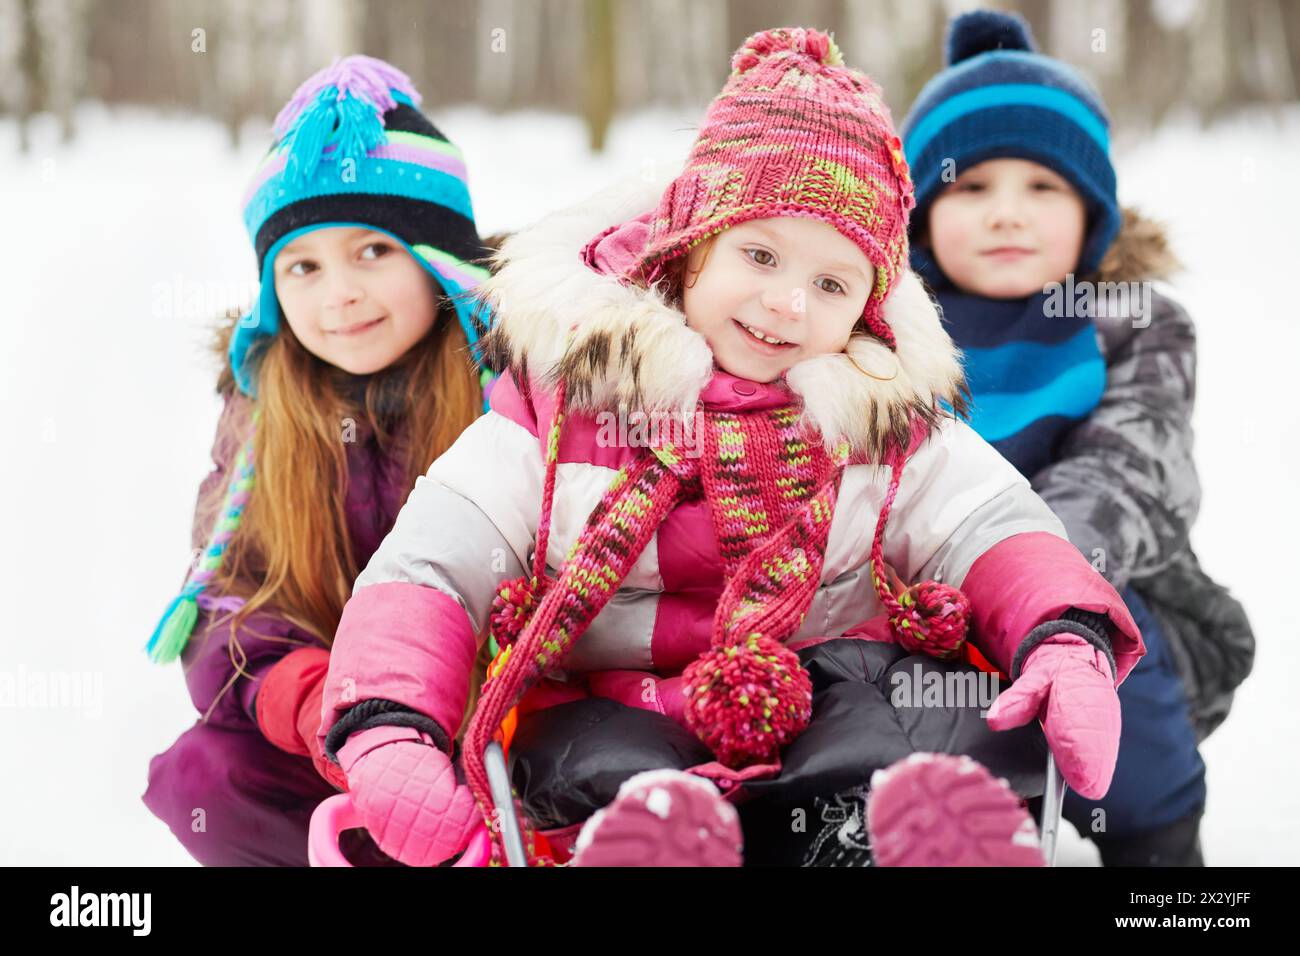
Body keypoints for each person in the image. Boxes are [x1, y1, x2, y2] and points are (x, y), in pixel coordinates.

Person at [318, 28, 1145, 868]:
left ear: (867, 306)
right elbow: (433, 565)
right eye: (759, 254)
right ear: (686, 250)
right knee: (595, 757)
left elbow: (989, 524)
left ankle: (880, 830)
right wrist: (388, 722)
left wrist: (1062, 634)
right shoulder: (565, 402)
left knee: (904, 714)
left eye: (831, 284)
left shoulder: (879, 414)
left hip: (828, 676)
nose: (788, 303)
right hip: (612, 692)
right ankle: (649, 839)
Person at [899, 9, 1255, 865]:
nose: (1006, 215)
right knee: (906, 721)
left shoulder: (1126, 325)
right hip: (922, 606)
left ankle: (1159, 857)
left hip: (1102, 584)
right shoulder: (889, 330)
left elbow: (1131, 472)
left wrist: (1032, 575)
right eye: (971, 187)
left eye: (1043, 188)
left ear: (1092, 211)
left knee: (1126, 694)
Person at [141, 55, 494, 866]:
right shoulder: (266, 411)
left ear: (438, 259)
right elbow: (227, 599)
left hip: (496, 718)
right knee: (205, 773)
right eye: (303, 265)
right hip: (345, 736)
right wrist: (315, 701)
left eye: (372, 250)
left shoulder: (504, 389)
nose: (337, 293)